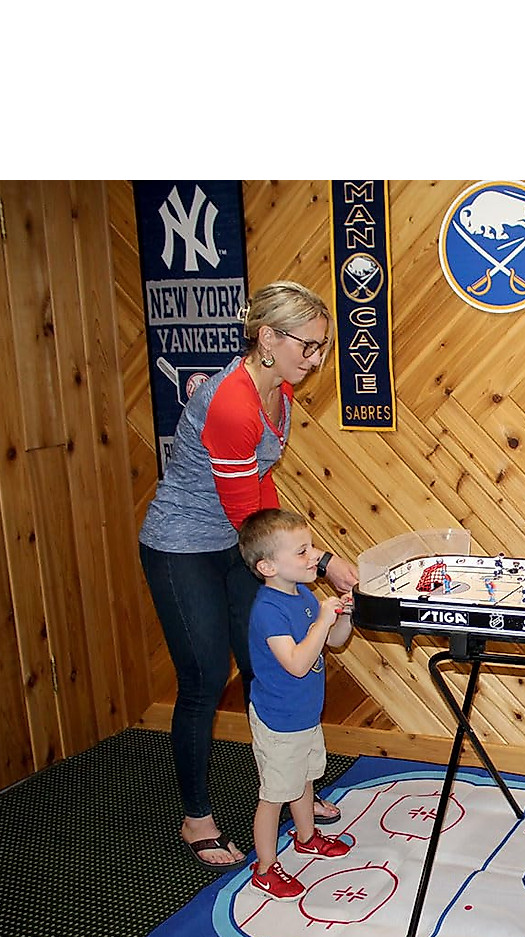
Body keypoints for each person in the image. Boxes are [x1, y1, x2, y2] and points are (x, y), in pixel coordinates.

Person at [139, 282, 359, 872]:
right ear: (267, 338)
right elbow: (249, 519)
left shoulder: (277, 393)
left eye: (322, 347)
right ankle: (196, 817)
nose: (314, 361)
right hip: (184, 548)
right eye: (307, 347)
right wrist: (322, 564)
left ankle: (290, 790)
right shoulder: (232, 403)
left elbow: (263, 490)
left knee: (263, 666)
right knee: (206, 677)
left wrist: (311, 555)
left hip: (241, 543)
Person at [238, 508, 353, 900]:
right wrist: (323, 619)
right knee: (273, 796)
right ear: (268, 566)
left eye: (310, 548)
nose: (313, 558)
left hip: (304, 716)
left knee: (304, 780)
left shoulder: (302, 594)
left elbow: (333, 642)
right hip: (278, 721)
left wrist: (342, 617)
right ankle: (265, 867)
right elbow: (298, 664)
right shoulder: (268, 611)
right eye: (302, 553)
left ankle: (306, 837)